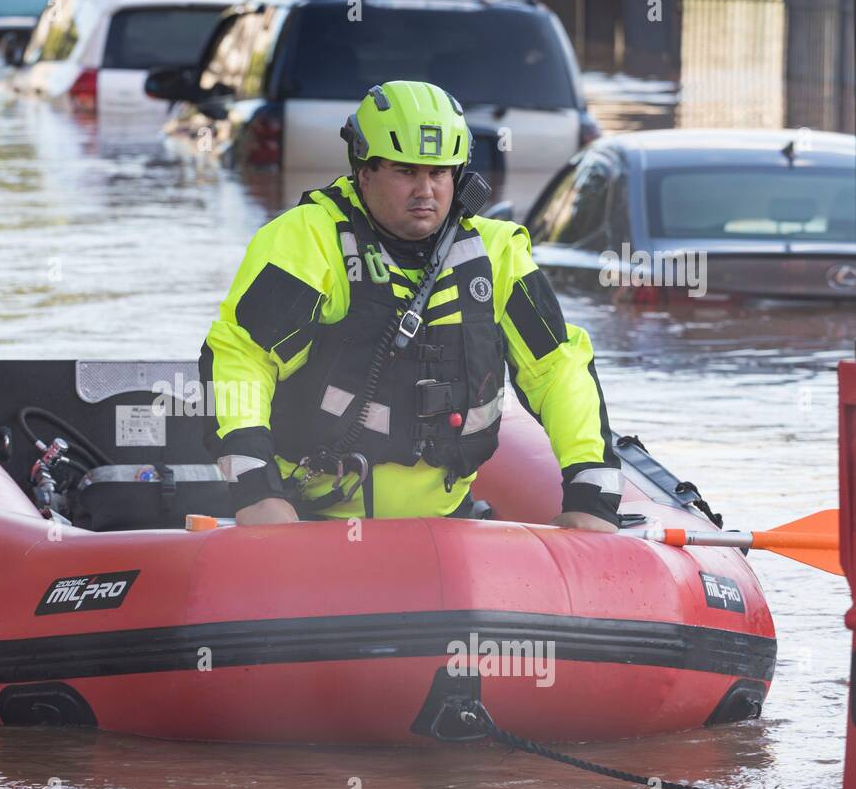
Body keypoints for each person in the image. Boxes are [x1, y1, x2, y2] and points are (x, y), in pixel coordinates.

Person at [198, 80, 621, 531]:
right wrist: (256, 492)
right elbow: (241, 358)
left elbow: (556, 369)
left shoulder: (496, 253)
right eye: (405, 172)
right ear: (363, 172)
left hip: (447, 529)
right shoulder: (308, 240)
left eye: (439, 174)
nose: (426, 191)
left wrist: (591, 495)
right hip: (311, 522)